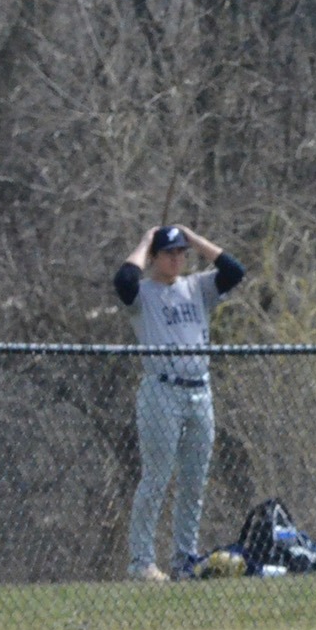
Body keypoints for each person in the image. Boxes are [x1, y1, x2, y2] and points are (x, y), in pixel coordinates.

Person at [114, 224, 247, 582]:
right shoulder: (143, 295)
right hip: (162, 390)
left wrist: (193, 237)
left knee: (194, 479)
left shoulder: (198, 287)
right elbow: (123, 280)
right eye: (169, 252)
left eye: (180, 253)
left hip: (200, 390)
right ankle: (142, 562)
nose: (176, 259)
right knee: (156, 477)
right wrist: (145, 239)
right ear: (155, 257)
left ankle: (184, 559)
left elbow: (235, 271)